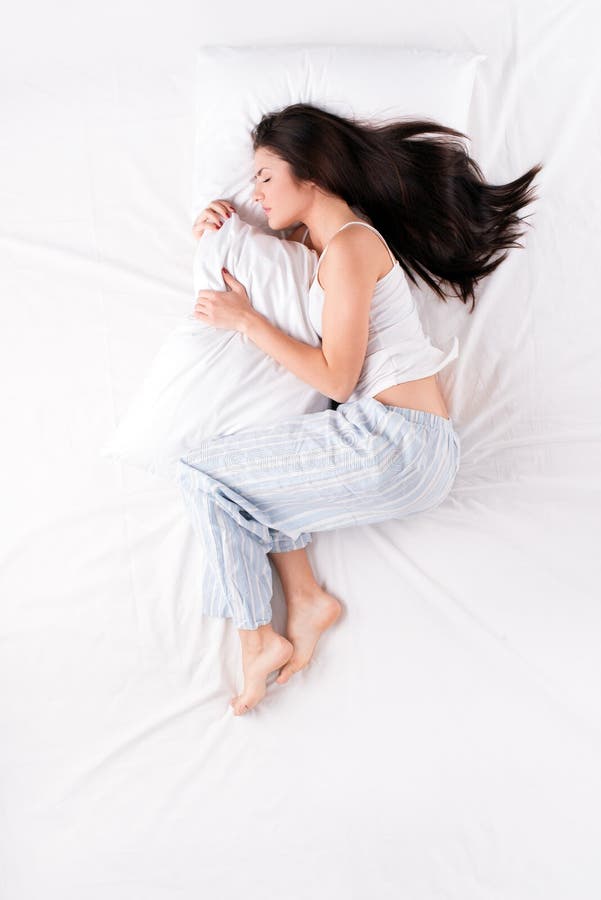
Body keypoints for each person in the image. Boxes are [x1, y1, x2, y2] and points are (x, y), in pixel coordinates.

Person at [181, 103, 542, 716]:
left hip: (393, 440)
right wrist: (219, 220)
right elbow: (283, 244)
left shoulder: (350, 246)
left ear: (311, 173)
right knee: (254, 480)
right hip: (404, 447)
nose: (255, 192)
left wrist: (247, 322)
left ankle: (255, 636)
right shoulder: (328, 242)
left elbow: (337, 377)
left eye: (266, 176)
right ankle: (306, 599)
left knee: (204, 474)